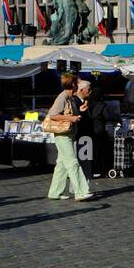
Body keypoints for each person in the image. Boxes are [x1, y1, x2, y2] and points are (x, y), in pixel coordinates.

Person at [45, 73, 94, 202]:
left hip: (69, 134)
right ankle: (81, 192)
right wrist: (71, 118)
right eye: (76, 83)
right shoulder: (62, 97)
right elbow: (53, 114)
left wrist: (80, 111)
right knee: (72, 163)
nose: (78, 85)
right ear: (72, 84)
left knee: (61, 164)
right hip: (62, 135)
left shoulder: (70, 97)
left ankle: (54, 192)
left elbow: (70, 112)